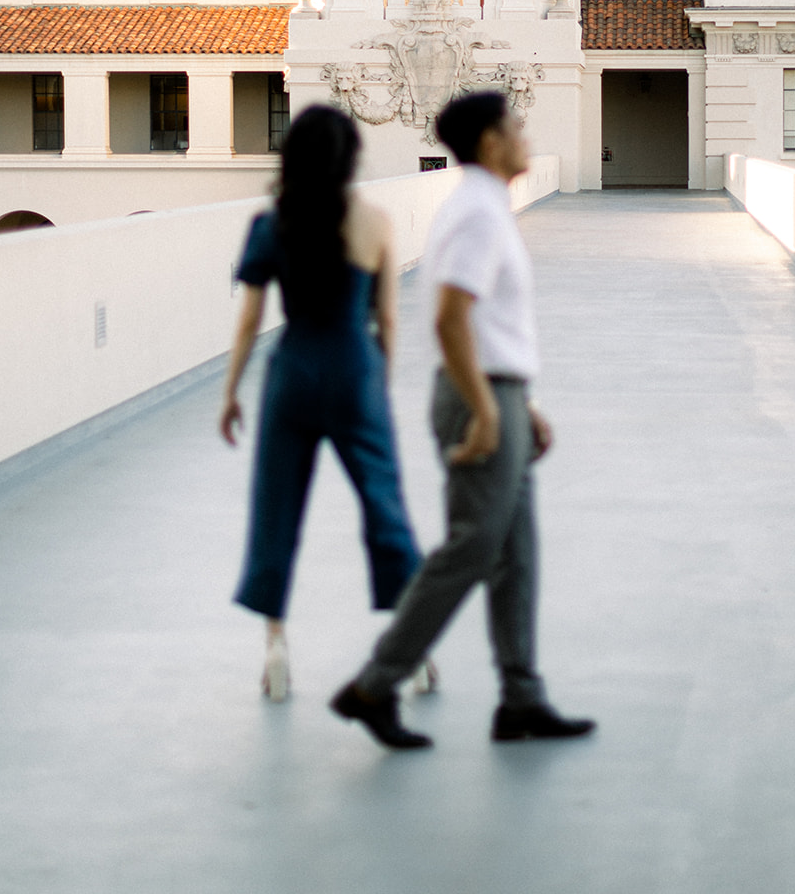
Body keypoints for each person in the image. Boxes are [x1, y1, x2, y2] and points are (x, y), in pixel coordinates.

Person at [330, 91, 596, 749]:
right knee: (472, 548)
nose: (524, 136)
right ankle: (373, 683)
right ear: (486, 143)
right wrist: (485, 411)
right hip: (474, 396)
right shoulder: (476, 214)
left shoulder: (484, 208)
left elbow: (482, 322)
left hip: (496, 390)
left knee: (515, 555)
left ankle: (521, 699)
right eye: (514, 127)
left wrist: (519, 403)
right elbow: (450, 318)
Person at [219, 103, 423, 702]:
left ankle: (276, 648)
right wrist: (375, 390)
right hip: (352, 368)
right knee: (384, 506)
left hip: (292, 372)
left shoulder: (270, 222)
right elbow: (387, 318)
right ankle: (411, 652)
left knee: (276, 511)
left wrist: (231, 392)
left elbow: (250, 319)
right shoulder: (375, 222)